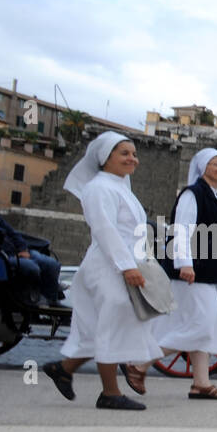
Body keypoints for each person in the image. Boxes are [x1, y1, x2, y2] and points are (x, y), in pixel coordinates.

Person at [42, 132, 162, 410]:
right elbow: (105, 230)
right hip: (108, 267)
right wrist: (126, 266)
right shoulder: (98, 188)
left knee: (104, 326)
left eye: (134, 153)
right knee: (113, 323)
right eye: (124, 153)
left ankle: (63, 368)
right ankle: (109, 393)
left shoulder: (119, 188)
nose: (132, 158)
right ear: (105, 157)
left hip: (121, 265)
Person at [150, 147, 217, 400]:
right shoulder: (192, 194)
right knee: (201, 325)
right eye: (216, 164)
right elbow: (181, 230)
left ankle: (201, 383)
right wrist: (184, 263)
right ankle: (140, 362)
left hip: (210, 270)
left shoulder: (215, 199)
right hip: (194, 271)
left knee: (204, 325)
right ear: (202, 167)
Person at [0, 193, 63, 305]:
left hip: (19, 252)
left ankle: (52, 299)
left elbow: (13, 233)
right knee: (32, 267)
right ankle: (34, 294)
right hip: (2, 256)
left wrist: (23, 249)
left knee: (52, 264)